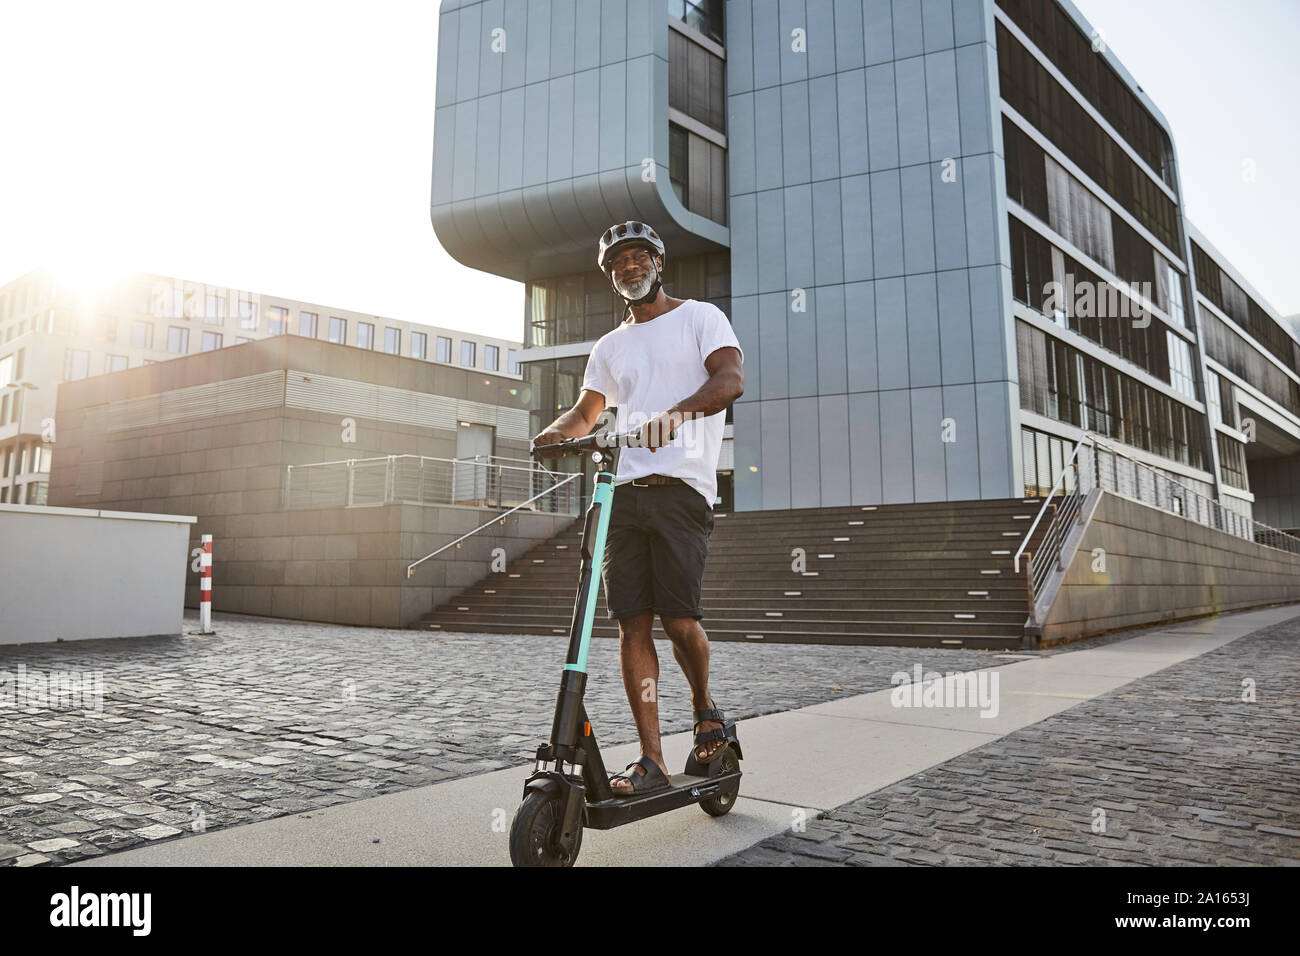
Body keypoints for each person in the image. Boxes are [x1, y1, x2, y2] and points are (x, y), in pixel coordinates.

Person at [532, 221, 744, 797]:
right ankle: (650, 759)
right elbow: (586, 410)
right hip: (624, 493)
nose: (629, 267)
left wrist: (673, 416)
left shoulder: (701, 318)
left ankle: (705, 709)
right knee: (632, 625)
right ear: (612, 276)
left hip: (683, 490)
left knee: (679, 620)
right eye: (618, 263)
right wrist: (553, 435)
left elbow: (729, 382)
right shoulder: (610, 346)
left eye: (638, 257)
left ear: (657, 261)